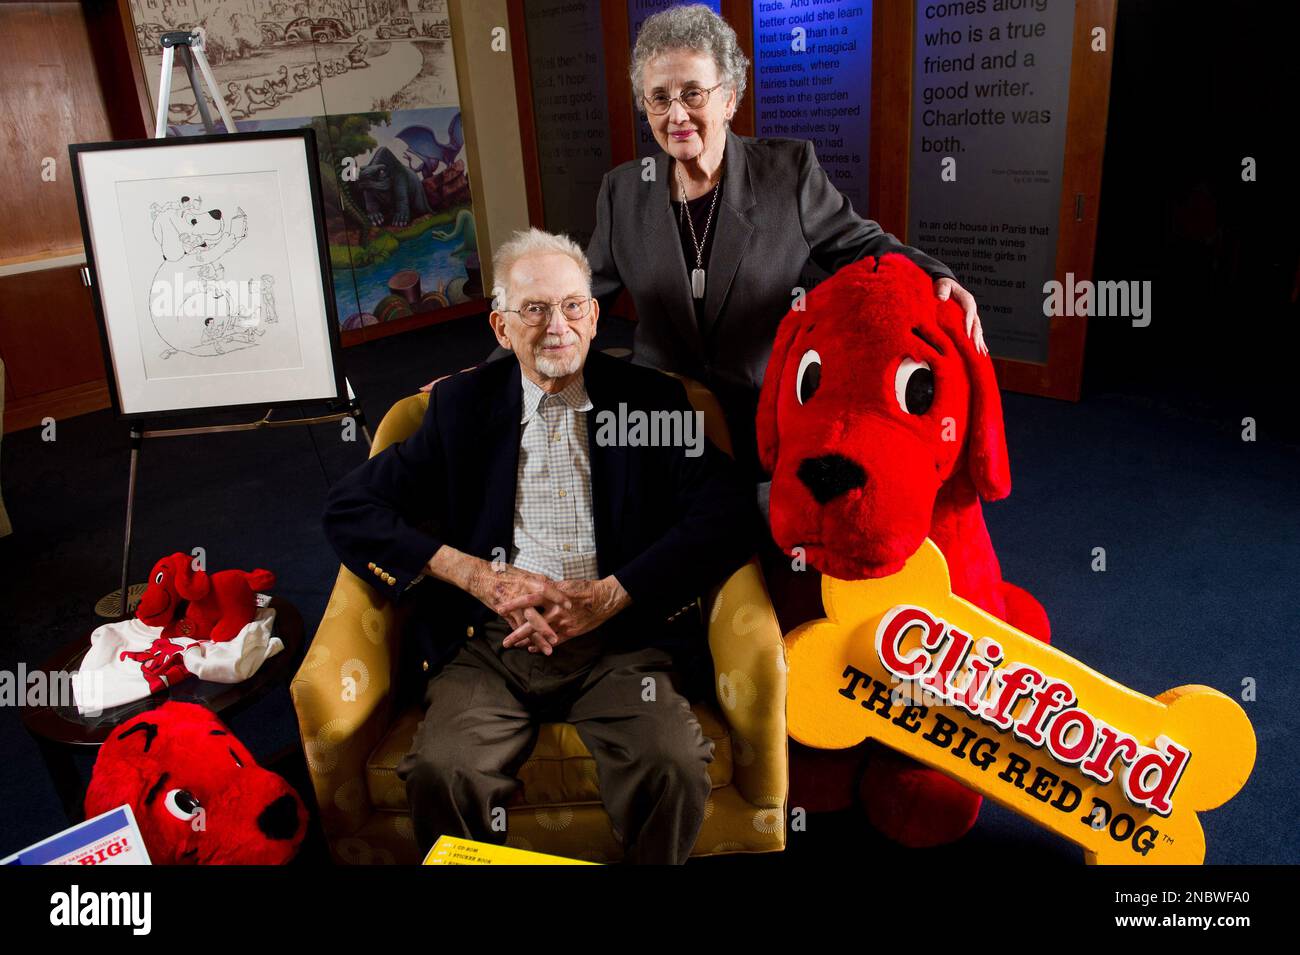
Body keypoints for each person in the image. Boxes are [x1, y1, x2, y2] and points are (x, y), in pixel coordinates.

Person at [322, 228, 761, 864]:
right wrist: (477, 577)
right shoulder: (458, 409)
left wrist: (614, 592)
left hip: (619, 643)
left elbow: (726, 511)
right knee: (445, 771)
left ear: (594, 314)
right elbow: (350, 509)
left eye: (573, 306)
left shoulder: (652, 403)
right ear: (501, 327)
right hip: (488, 646)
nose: (557, 325)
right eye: (534, 309)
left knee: (673, 765)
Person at [589, 3, 986, 482]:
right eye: (659, 97)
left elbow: (860, 243)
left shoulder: (788, 172)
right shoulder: (622, 190)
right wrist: (495, 375)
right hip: (664, 418)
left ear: (729, 98)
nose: (677, 115)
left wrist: (936, 275)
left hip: (763, 416)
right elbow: (580, 303)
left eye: (693, 93)